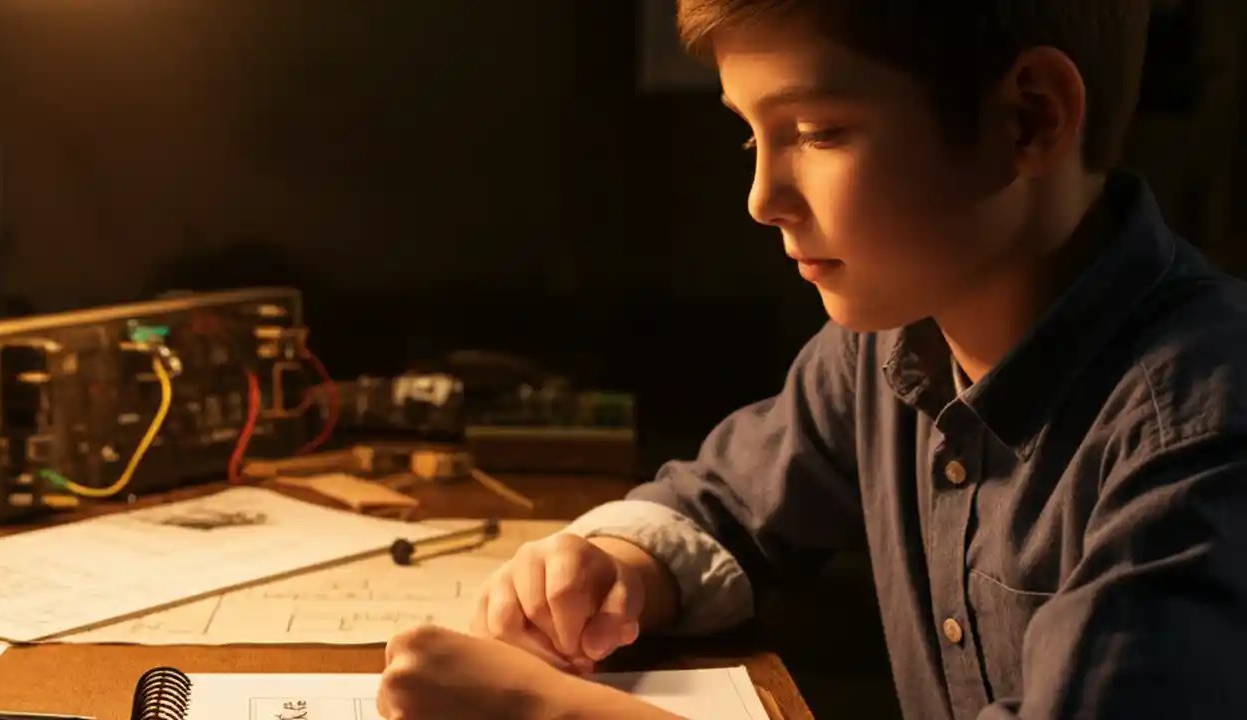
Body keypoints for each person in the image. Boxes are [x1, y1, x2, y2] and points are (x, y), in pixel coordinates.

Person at [377, 1, 1247, 718]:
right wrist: (614, 570)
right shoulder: (886, 347)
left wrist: (549, 710)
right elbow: (724, 505)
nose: (761, 200)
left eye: (820, 132)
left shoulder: (1200, 429)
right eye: (753, 136)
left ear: (1028, 119)